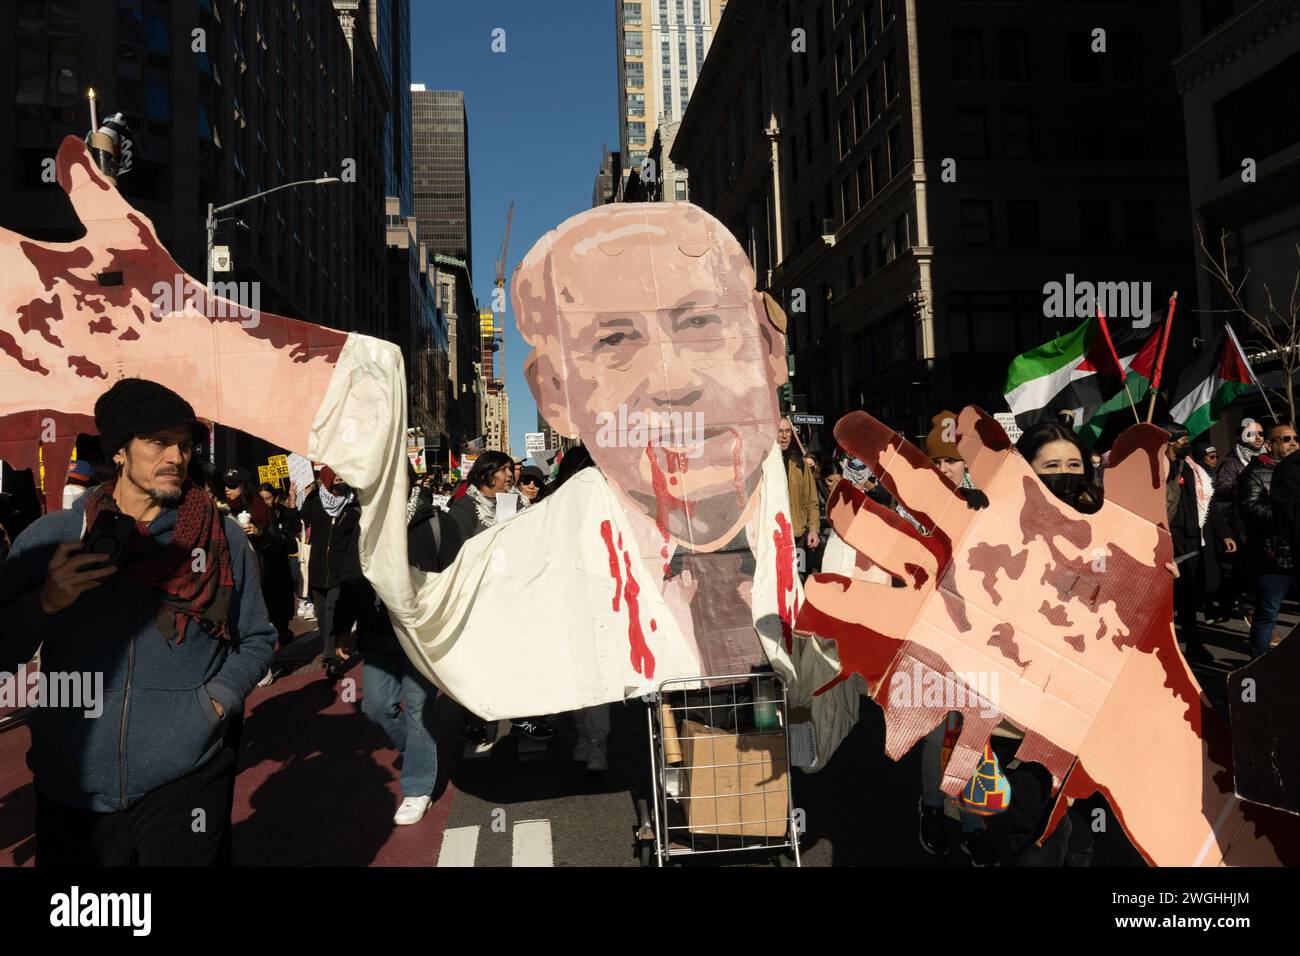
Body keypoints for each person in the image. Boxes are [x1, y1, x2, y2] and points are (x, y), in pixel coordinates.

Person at [0, 378, 276, 866]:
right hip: (73, 786)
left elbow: (256, 638)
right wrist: (45, 601)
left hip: (187, 776)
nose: (176, 456)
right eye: (158, 441)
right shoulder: (55, 538)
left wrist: (213, 704)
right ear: (120, 452)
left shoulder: (222, 540)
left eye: (185, 444)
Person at [997, 421, 1107, 867]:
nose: (1065, 473)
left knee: (1083, 826)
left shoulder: (1107, 523)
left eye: (1073, 464)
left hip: (1089, 703)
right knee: (1034, 824)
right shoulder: (1001, 522)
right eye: (1052, 466)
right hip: (1022, 708)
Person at [916, 411, 995, 865]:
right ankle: (930, 804)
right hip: (928, 635)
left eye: (951, 460)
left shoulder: (986, 503)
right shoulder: (915, 504)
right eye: (937, 461)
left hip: (978, 636)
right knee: (933, 733)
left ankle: (972, 822)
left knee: (974, 732)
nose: (944, 467)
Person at [362, 480, 465, 825]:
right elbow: (352, 573)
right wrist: (339, 627)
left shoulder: (437, 521)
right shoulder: (364, 518)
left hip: (419, 631)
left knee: (419, 704)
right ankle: (418, 746)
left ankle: (418, 787)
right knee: (376, 705)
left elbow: (457, 577)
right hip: (379, 631)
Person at [448, 451, 557, 744]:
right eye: (503, 469)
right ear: (486, 473)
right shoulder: (464, 509)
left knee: (518, 658)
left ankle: (524, 716)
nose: (511, 475)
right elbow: (454, 557)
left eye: (511, 469)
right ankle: (477, 719)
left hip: (513, 596)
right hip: (477, 600)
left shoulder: (516, 504)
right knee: (480, 663)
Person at [1236, 422, 1299, 659]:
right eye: (1285, 438)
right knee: (1267, 615)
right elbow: (1250, 509)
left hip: (1297, 553)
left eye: (1295, 437)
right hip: (1273, 558)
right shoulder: (1256, 471)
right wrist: (1289, 518)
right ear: (1270, 445)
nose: (1292, 442)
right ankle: (1257, 669)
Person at [299, 466, 370, 678]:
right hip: (317, 570)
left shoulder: (353, 506)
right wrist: (293, 503)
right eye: (334, 473)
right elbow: (298, 521)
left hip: (341, 571)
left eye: (342, 472)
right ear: (326, 477)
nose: (339, 476)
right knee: (321, 615)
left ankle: (332, 657)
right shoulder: (313, 503)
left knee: (332, 610)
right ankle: (329, 644)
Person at [1163, 424, 1217, 664]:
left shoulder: (1191, 469)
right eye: (1183, 438)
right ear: (1170, 441)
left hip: (1191, 539)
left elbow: (1206, 502)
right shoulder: (1161, 468)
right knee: (1169, 598)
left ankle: (1194, 645)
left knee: (1188, 594)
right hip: (1166, 538)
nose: (1188, 442)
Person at [779, 418, 821, 555]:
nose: (784, 436)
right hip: (773, 537)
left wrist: (813, 529)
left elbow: (812, 502)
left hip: (797, 536)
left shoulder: (800, 463)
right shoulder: (765, 463)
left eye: (787, 431)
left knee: (799, 575)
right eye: (780, 431)